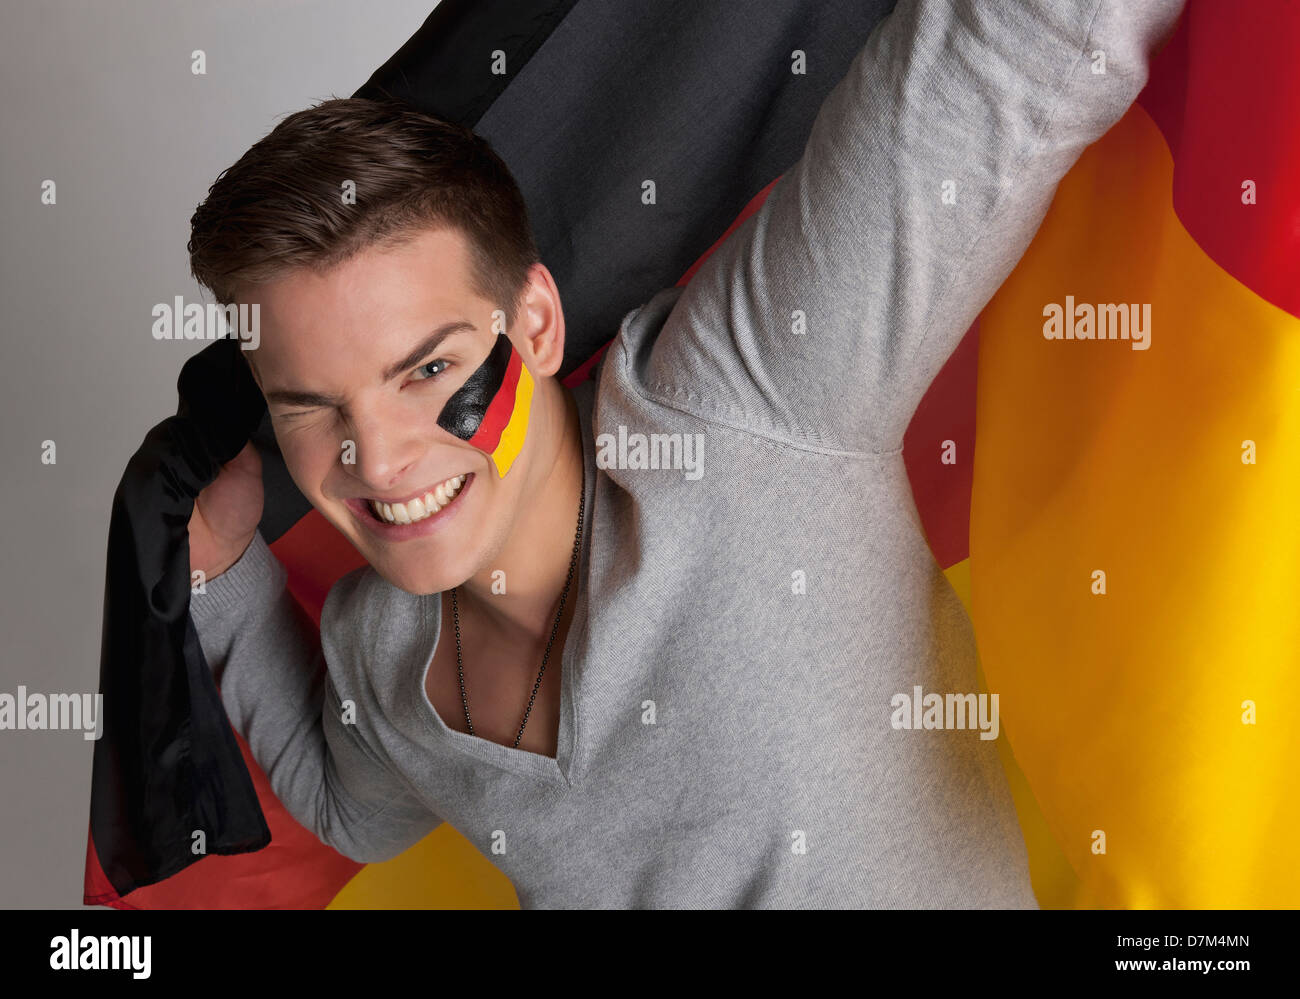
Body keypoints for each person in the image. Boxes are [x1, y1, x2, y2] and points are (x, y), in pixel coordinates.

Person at [186, 0, 1185, 907]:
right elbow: (354, 812)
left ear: (533, 323)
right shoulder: (382, 648)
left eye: (428, 370)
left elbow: (1023, 47)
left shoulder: (742, 408)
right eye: (311, 408)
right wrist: (216, 567)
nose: (377, 457)